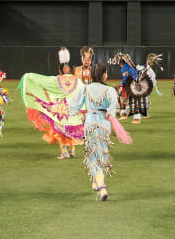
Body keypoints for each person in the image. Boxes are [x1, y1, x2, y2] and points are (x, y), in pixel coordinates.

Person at [66, 64, 132, 201]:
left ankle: (101, 187)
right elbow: (113, 105)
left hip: (89, 123)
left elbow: (74, 104)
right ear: (103, 75)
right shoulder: (109, 90)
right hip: (103, 124)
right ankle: (99, 184)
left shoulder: (85, 89)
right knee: (101, 152)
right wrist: (110, 113)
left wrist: (80, 115)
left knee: (92, 153)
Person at [20, 48, 87, 159]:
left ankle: (64, 152)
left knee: (59, 131)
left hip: (59, 110)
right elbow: (83, 92)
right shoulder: (77, 80)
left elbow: (43, 81)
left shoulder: (57, 79)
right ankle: (72, 150)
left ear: (60, 71)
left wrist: (28, 76)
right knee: (70, 129)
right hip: (72, 111)